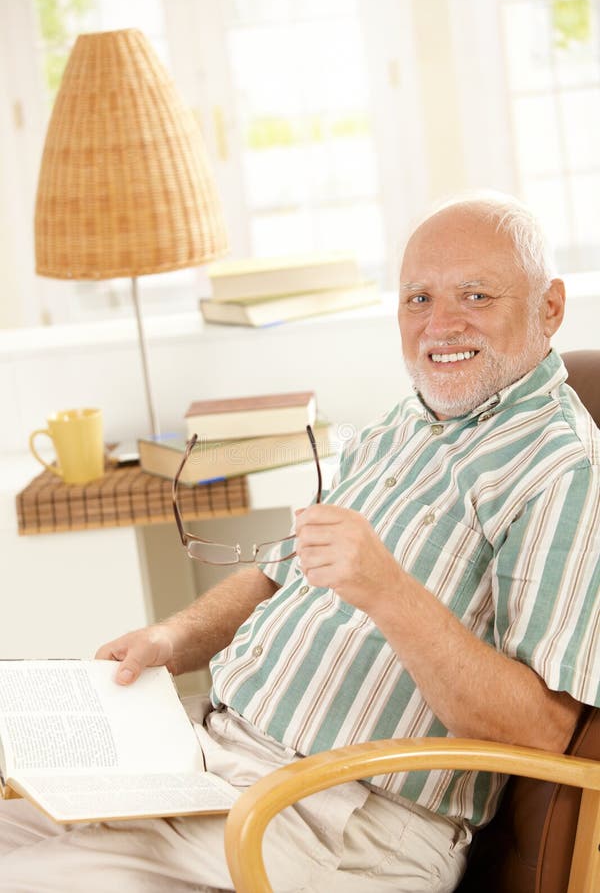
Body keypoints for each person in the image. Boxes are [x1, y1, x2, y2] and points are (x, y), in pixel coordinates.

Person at [1, 193, 598, 893]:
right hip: (211, 760)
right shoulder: (403, 424)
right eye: (417, 298)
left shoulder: (563, 472)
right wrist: (172, 638)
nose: (441, 324)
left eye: (475, 294)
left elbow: (547, 732)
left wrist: (388, 590)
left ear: (549, 307)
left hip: (337, 823)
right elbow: (281, 570)